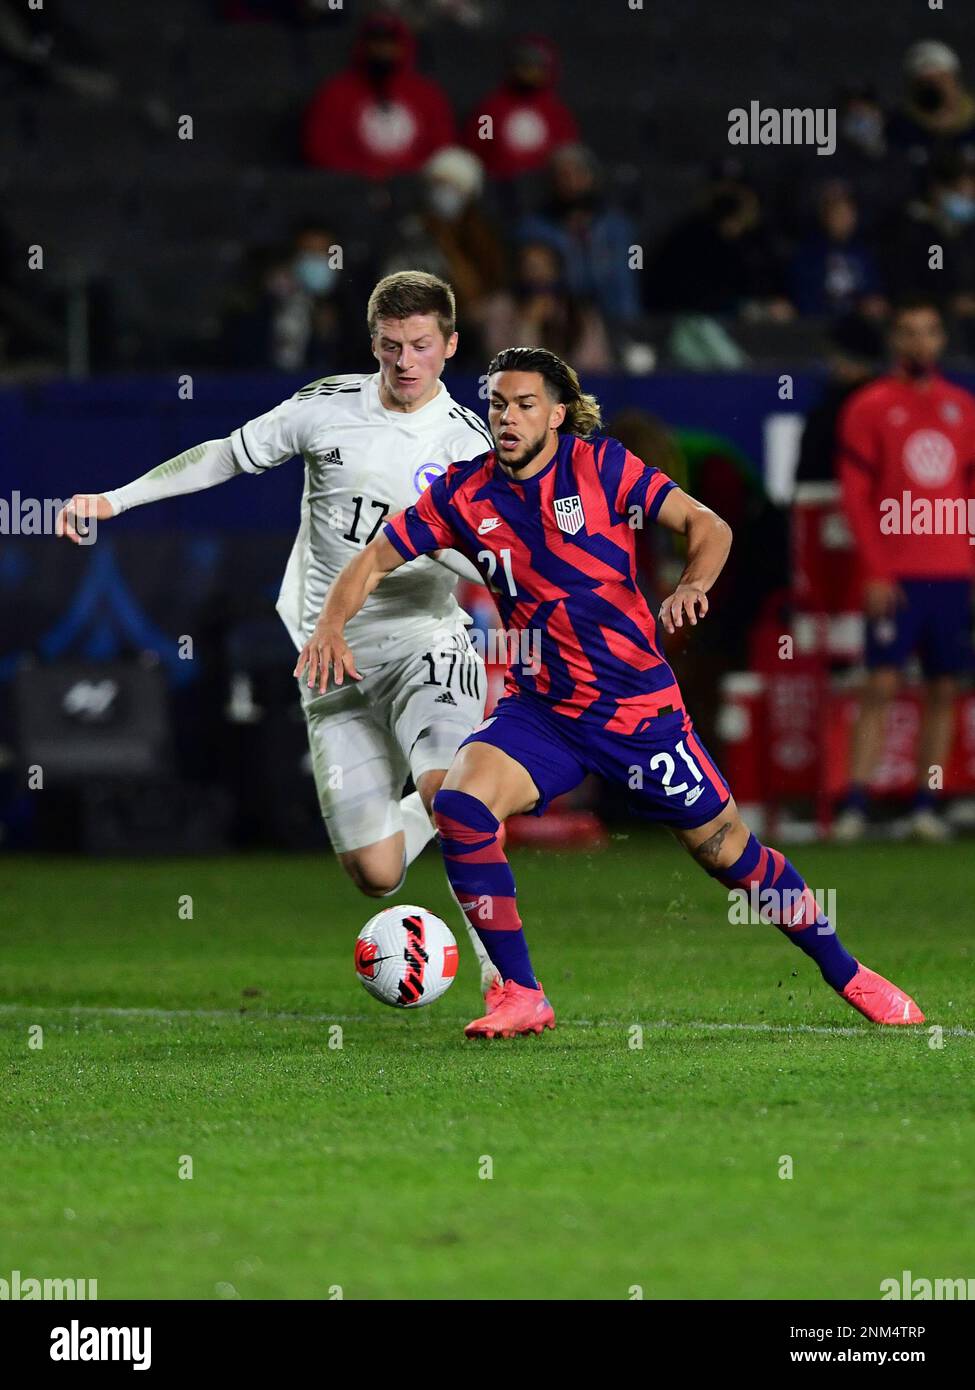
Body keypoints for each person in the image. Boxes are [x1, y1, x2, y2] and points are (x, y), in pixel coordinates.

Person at [300, 346, 925, 1038]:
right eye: (498, 405)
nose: (507, 418)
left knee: (729, 855)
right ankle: (520, 992)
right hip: (544, 713)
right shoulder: (459, 493)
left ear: (557, 414)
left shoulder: (601, 466)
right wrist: (330, 624)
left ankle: (849, 974)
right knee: (462, 808)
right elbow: (374, 557)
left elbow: (706, 525)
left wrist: (691, 585)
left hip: (637, 712)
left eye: (524, 404)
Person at [54, 271, 500, 996]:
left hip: (427, 641)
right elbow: (225, 454)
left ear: (449, 346)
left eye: (421, 345)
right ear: (372, 343)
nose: (405, 362)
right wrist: (115, 499)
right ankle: (465, 803)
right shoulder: (327, 407)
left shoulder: (468, 446)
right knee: (376, 873)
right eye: (390, 346)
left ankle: (500, 975)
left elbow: (494, 552)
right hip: (329, 655)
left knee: (454, 796)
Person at [834, 298, 975, 841]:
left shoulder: (962, 407)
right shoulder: (869, 406)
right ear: (895, 340)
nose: (920, 342)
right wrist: (874, 569)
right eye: (910, 331)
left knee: (944, 687)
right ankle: (856, 804)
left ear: (941, 341)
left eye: (930, 331)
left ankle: (926, 804)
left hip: (952, 573)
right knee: (881, 684)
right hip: (895, 574)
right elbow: (855, 497)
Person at [302, 13, 455, 178]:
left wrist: (406, 176)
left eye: (391, 43)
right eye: (376, 42)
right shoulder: (335, 93)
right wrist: (367, 173)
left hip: (414, 187)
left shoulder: (428, 95)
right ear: (363, 45)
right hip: (351, 188)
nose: (383, 49)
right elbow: (321, 149)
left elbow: (442, 150)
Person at [517, 145, 641, 331]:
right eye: (563, 176)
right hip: (560, 322)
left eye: (579, 173)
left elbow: (624, 282)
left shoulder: (616, 227)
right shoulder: (535, 228)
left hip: (611, 317)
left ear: (592, 177)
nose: (571, 183)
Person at [464, 33, 578, 182]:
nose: (529, 72)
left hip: (545, 189)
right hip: (498, 186)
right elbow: (478, 148)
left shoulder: (556, 113)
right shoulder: (490, 111)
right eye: (523, 65)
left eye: (536, 66)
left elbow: (566, 152)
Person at [887, 40, 975, 172]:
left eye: (940, 79)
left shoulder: (971, 123)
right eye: (924, 82)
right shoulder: (899, 127)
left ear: (955, 81)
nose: (933, 87)